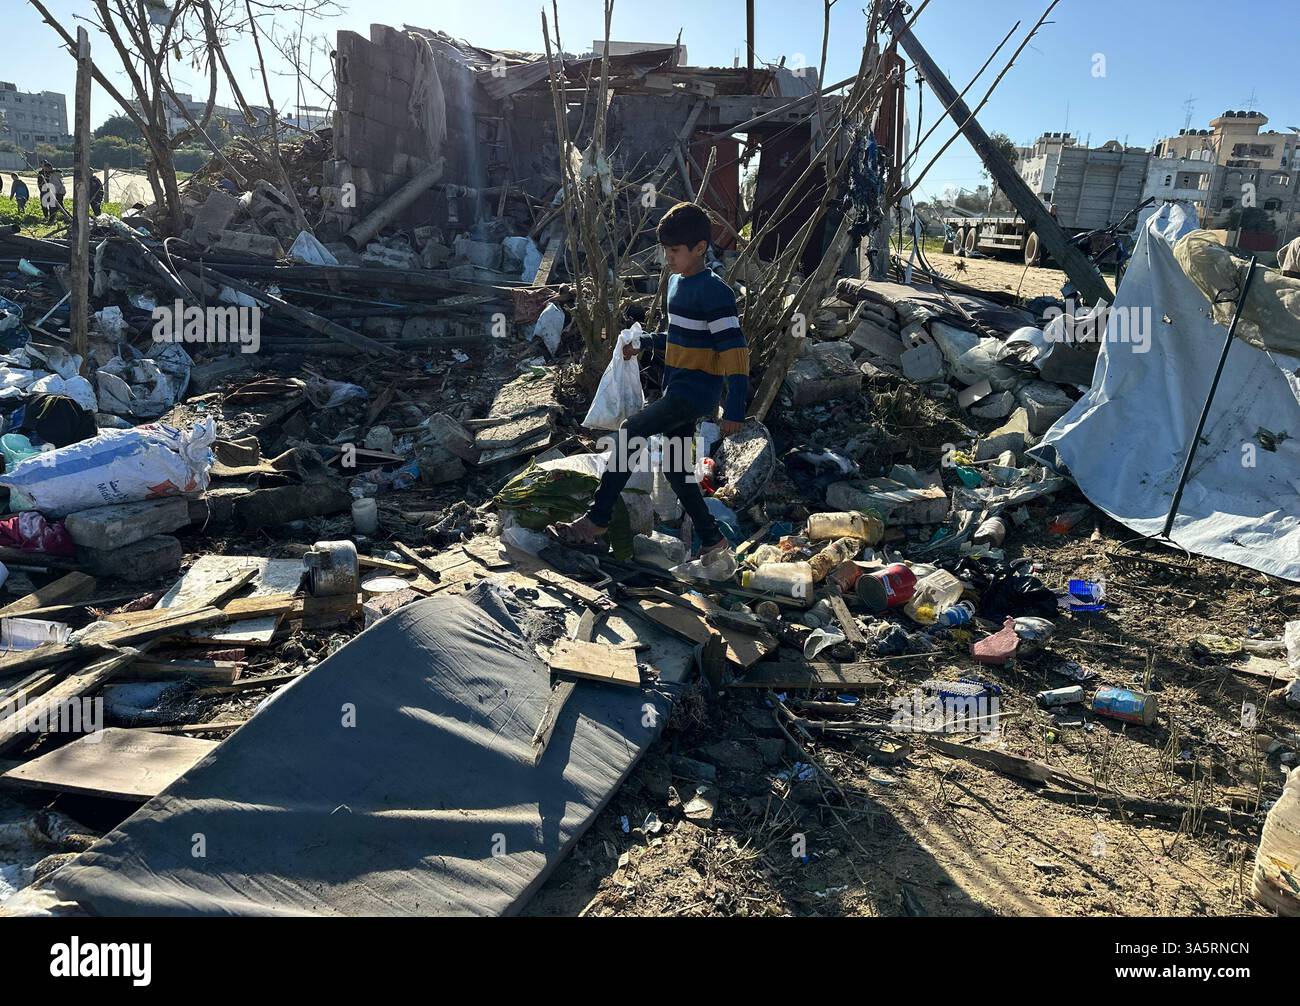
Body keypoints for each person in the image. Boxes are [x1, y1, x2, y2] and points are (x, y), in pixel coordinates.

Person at [548, 201, 749, 560]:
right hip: (678, 387)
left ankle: (596, 519)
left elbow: (735, 352)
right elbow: (679, 337)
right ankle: (713, 541)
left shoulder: (716, 292)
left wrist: (734, 408)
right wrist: (642, 343)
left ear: (700, 249)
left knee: (631, 431)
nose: (669, 258)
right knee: (675, 469)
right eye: (666, 250)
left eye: (675, 251)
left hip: (698, 391)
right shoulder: (675, 284)